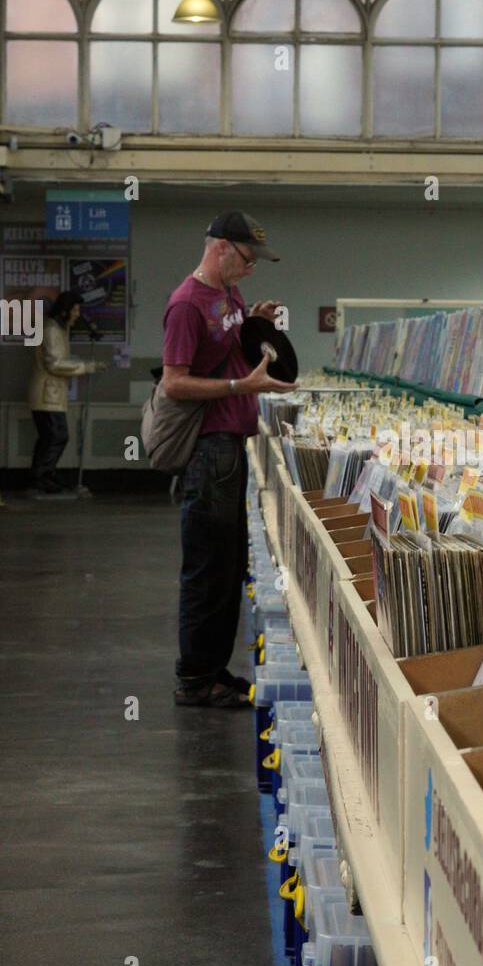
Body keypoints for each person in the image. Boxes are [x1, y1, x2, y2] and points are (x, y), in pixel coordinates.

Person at [162, 212, 296, 710]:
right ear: (219, 248)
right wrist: (244, 386)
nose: (251, 268)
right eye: (246, 258)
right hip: (209, 447)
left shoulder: (230, 299)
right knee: (207, 569)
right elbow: (175, 382)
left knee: (227, 566)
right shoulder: (186, 305)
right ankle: (195, 679)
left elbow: (229, 349)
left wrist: (252, 318)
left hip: (230, 446)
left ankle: (213, 671)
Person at [26, 290, 107, 500]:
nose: (78, 314)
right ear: (65, 310)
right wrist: (86, 366)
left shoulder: (57, 329)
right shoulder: (52, 330)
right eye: (76, 309)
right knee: (57, 436)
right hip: (47, 395)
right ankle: (41, 477)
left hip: (49, 394)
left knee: (49, 438)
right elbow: (54, 364)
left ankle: (43, 476)